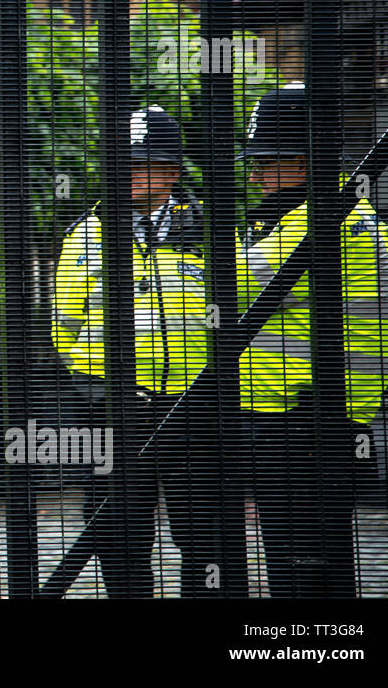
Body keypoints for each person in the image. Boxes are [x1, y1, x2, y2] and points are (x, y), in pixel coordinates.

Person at [51, 105, 225, 597]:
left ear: (171, 171)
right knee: (119, 538)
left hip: (195, 407)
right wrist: (99, 388)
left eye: (140, 162)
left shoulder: (210, 233)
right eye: (120, 162)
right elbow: (65, 327)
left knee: (206, 538)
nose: (125, 173)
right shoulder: (87, 233)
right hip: (116, 411)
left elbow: (240, 317)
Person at [237, 82, 388, 597]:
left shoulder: (319, 220)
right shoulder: (340, 213)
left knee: (300, 575)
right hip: (326, 421)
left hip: (303, 424)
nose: (255, 175)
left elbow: (231, 287)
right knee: (324, 570)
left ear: (304, 160)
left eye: (266, 162)